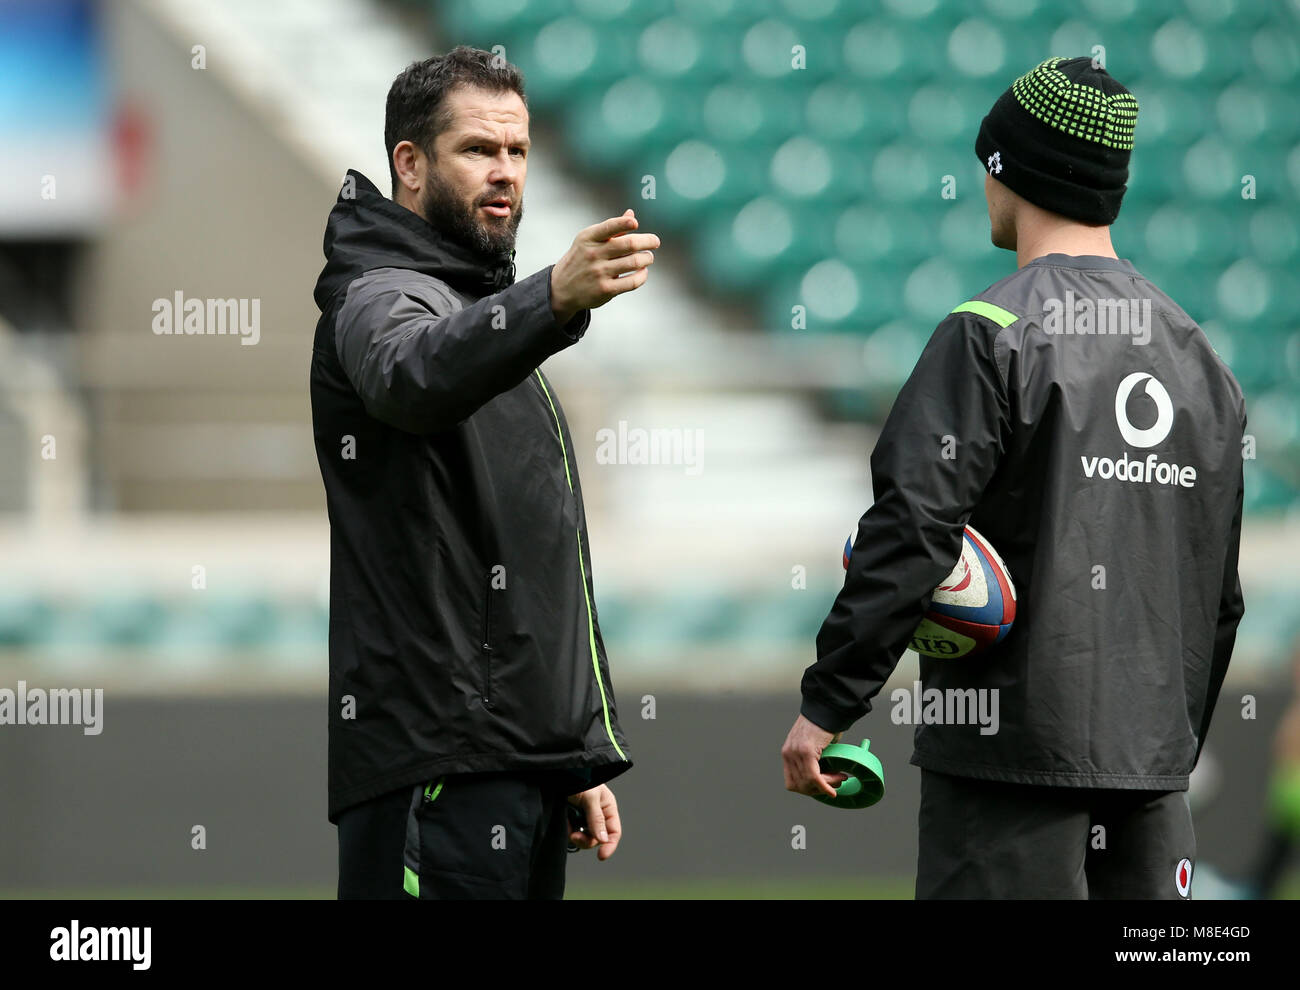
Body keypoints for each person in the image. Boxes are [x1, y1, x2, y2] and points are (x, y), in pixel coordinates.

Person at [782, 56, 1247, 899]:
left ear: (1009, 168)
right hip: (1154, 782)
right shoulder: (1202, 362)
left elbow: (913, 530)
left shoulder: (990, 331)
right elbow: (1219, 598)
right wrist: (1165, 749)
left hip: (1009, 772)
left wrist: (830, 702)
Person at [310, 46, 656, 899]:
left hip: (508, 760)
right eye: (477, 150)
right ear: (410, 164)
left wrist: (561, 748)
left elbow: (518, 563)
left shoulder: (474, 309)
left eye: (518, 151)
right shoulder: (381, 294)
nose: (505, 173)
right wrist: (551, 299)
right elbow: (411, 374)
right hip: (438, 766)